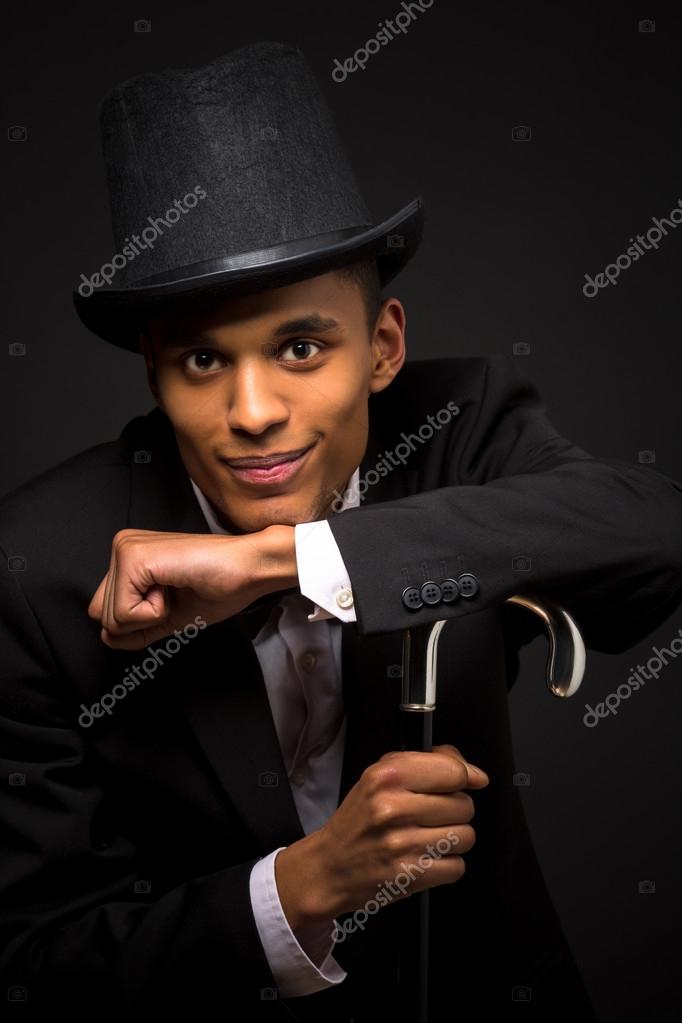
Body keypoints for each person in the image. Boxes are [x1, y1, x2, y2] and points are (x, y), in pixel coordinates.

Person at [1, 40, 681, 1021]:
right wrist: (300, 889)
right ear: (153, 376)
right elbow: (34, 959)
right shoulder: (33, 572)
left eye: (301, 347)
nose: (253, 411)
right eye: (200, 360)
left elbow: (653, 531)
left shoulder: (464, 429)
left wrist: (280, 561)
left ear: (384, 347)